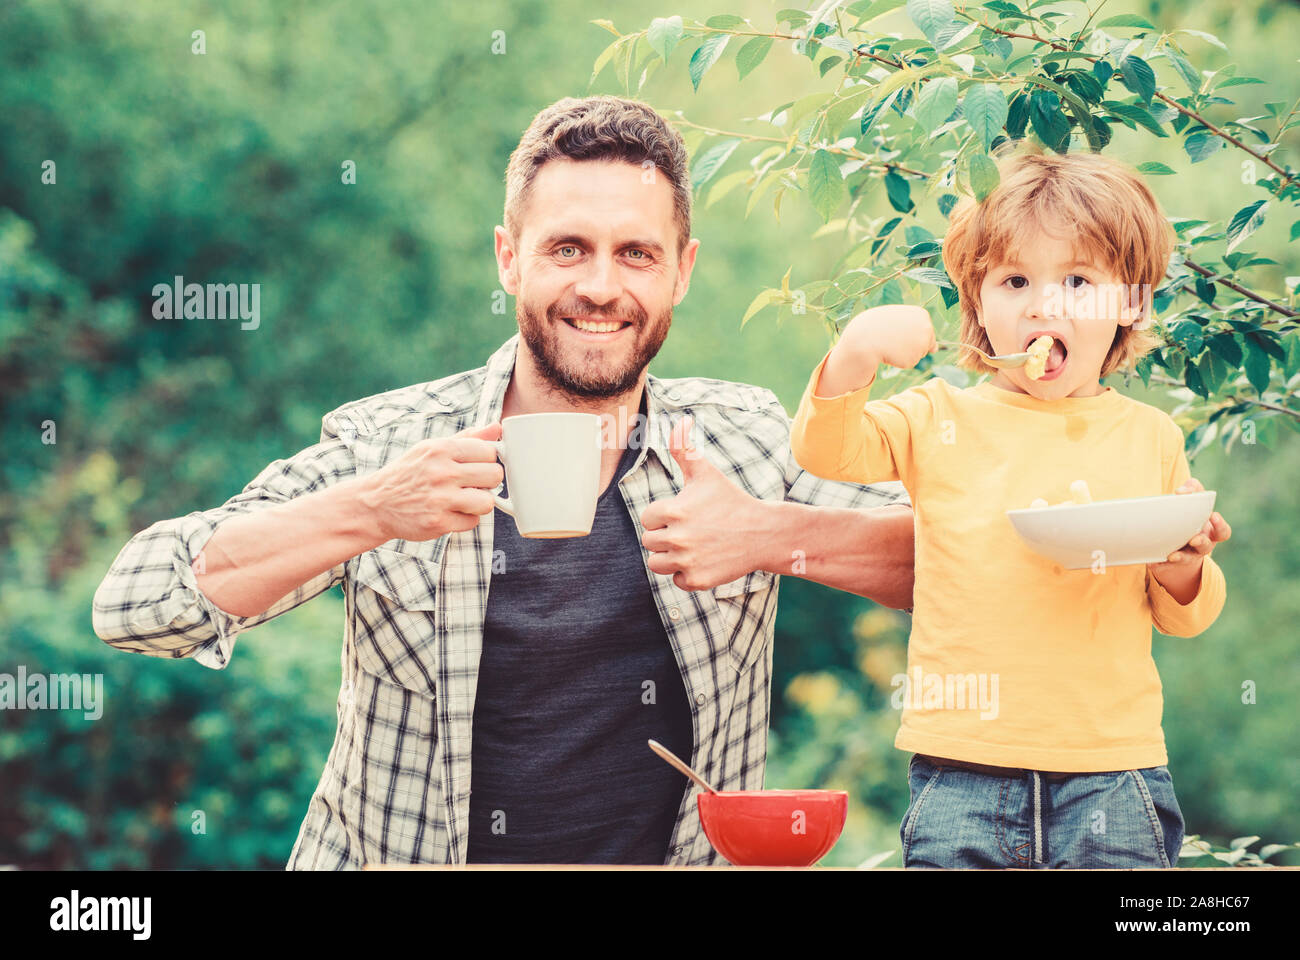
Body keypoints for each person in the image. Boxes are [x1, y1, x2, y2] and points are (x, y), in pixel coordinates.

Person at [92, 95, 915, 869]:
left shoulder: (744, 437)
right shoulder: (392, 442)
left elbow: (952, 566)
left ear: (682, 271)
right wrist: (374, 508)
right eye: (567, 248)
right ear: (508, 259)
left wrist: (775, 537)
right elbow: (135, 604)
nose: (600, 287)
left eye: (636, 253)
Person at [789, 145, 1232, 869]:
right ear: (977, 301)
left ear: (1133, 302)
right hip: (961, 766)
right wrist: (856, 353)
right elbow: (827, 453)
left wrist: (1185, 563)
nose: (1043, 304)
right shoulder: (936, 418)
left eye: (1079, 280)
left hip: (1112, 771)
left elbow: (1186, 612)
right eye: (1016, 279)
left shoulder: (1149, 436)